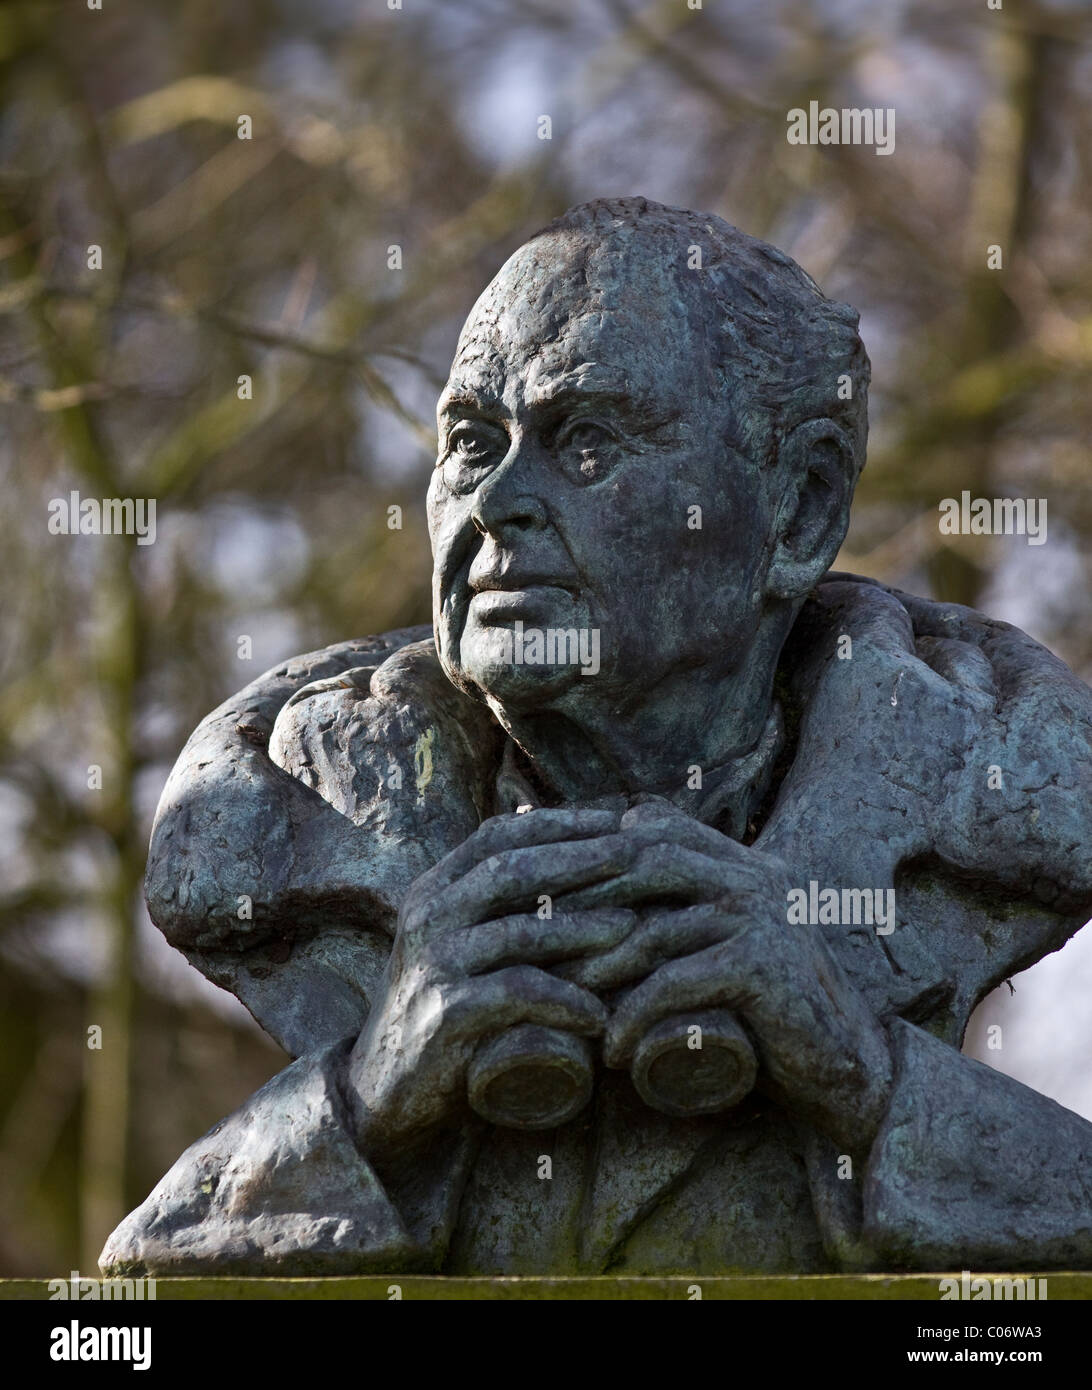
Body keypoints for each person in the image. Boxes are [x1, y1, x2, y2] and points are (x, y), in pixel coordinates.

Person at [101, 198, 1092, 1277]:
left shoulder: (986, 802)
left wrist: (862, 1075)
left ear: (797, 510)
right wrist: (367, 1100)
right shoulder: (291, 832)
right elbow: (129, 1296)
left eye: (584, 444)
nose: (495, 501)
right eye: (472, 441)